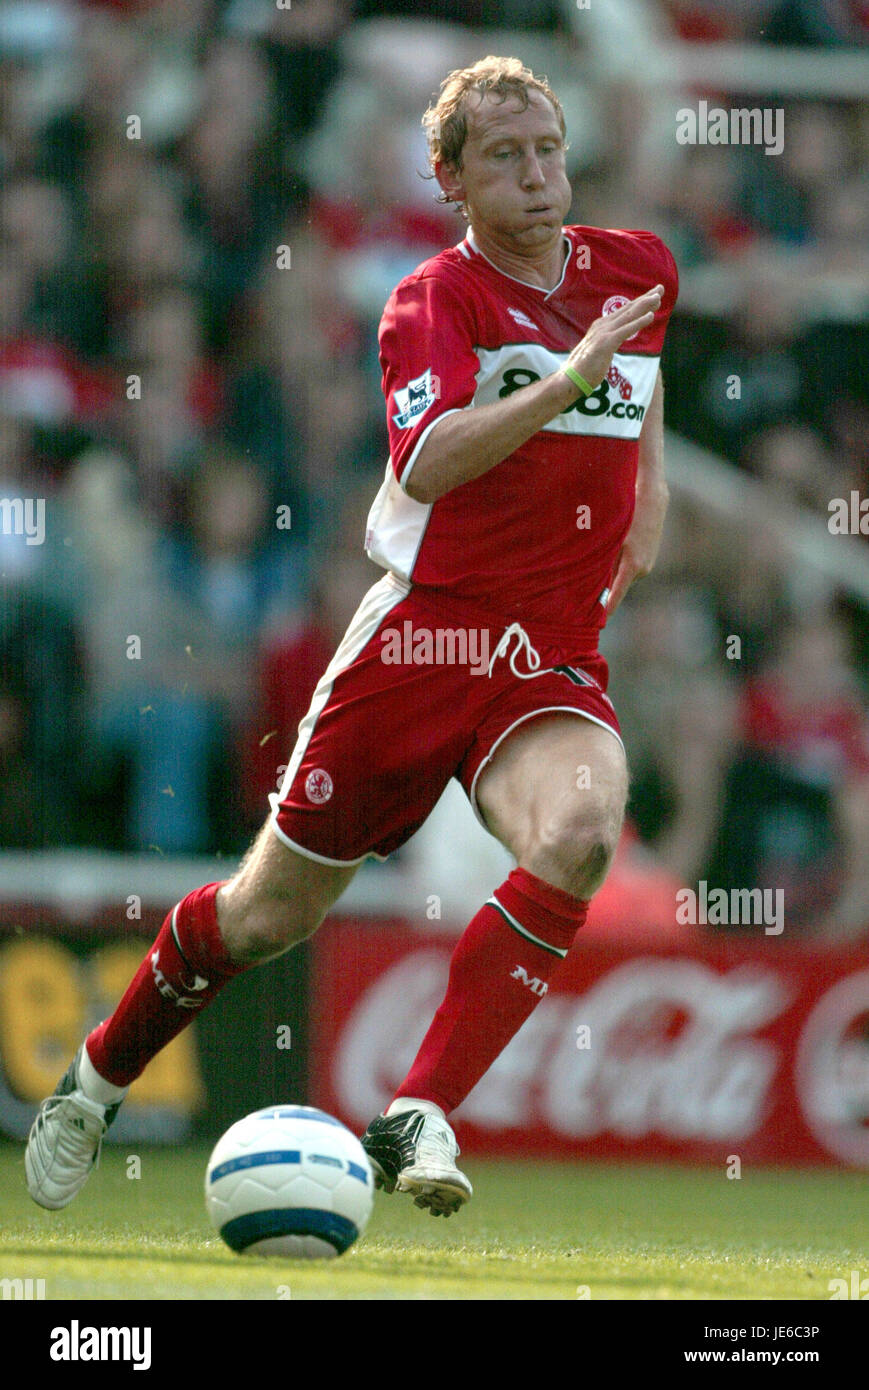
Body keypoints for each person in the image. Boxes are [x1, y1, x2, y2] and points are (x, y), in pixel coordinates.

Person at [25, 55, 677, 1219]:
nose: (535, 176)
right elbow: (428, 459)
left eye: (547, 150)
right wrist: (563, 381)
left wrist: (646, 503)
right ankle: (94, 1079)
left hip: (548, 660)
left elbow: (642, 386)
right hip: (420, 645)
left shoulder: (637, 270)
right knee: (262, 916)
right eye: (502, 158)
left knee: (578, 832)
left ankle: (421, 1105)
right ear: (451, 181)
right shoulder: (434, 300)